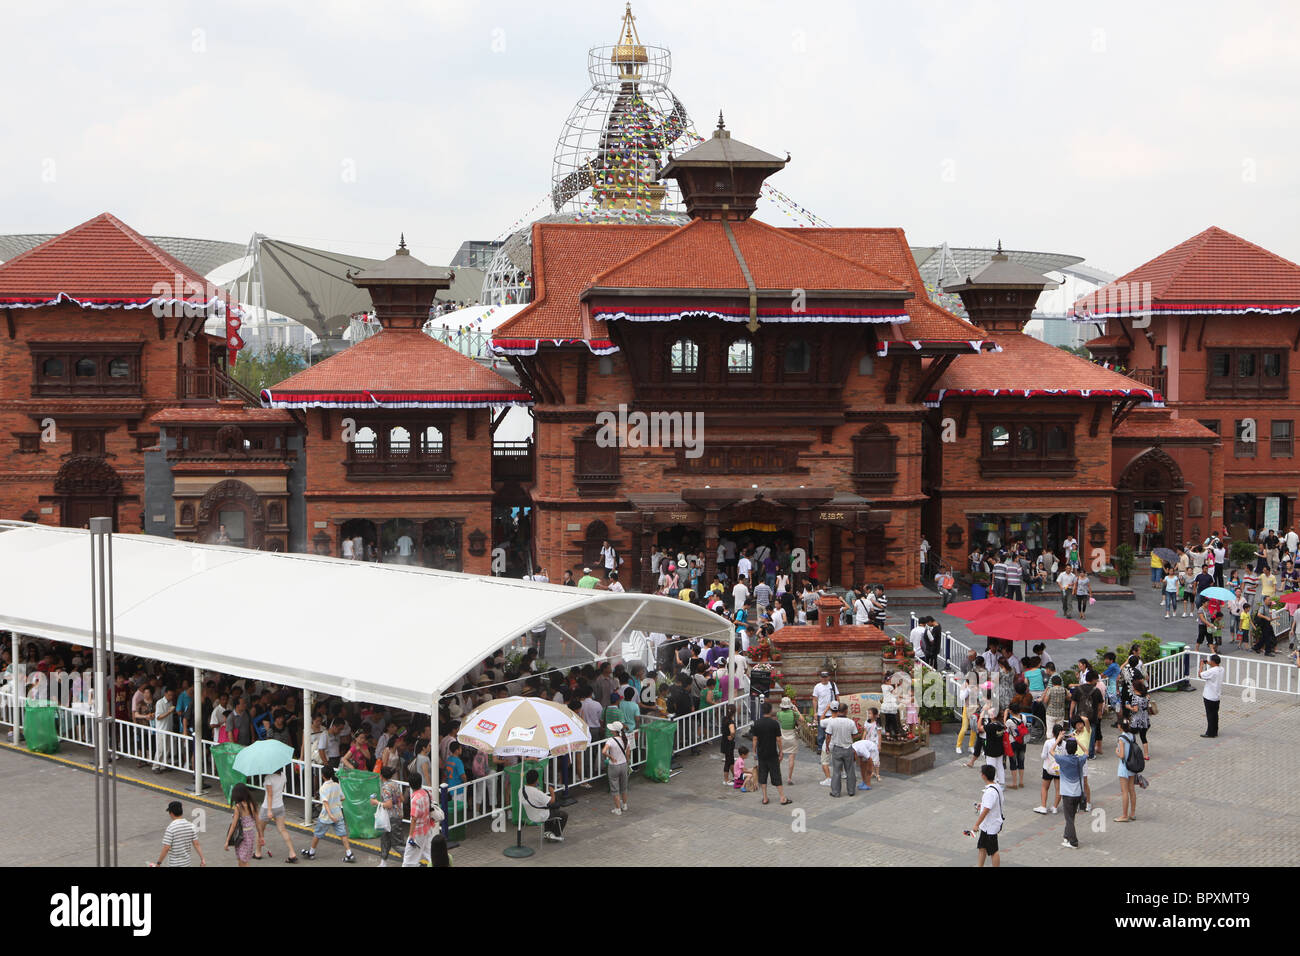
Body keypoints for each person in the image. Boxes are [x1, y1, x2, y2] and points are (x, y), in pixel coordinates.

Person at [302, 766, 356, 862]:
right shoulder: (336, 785)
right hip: (338, 814)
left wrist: (330, 815)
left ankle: (311, 852)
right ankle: (349, 854)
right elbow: (343, 798)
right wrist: (335, 799)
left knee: (317, 834)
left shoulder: (323, 788)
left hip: (326, 816)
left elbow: (325, 803)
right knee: (343, 834)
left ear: (323, 775)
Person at [751, 702, 792, 805]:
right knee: (776, 775)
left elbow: (755, 739)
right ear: (770, 711)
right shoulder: (774, 723)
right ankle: (782, 797)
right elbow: (778, 739)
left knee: (763, 775)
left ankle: (765, 798)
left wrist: (754, 751)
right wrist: (781, 751)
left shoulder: (757, 723)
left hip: (761, 753)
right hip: (772, 753)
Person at [255, 765, 298, 862]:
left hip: (267, 807)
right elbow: (281, 790)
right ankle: (292, 852)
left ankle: (258, 853)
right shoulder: (283, 775)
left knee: (260, 830)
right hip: (280, 806)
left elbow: (270, 794)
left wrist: (269, 810)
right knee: (282, 830)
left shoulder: (268, 778)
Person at [403, 774, 446, 863]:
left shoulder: (415, 800)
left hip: (418, 832)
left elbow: (414, 819)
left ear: (410, 785)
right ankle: (438, 864)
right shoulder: (427, 792)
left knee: (409, 858)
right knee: (430, 853)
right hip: (427, 828)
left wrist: (411, 835)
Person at [1055, 733, 1087, 848]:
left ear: (1066, 748)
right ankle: (1066, 836)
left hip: (1067, 794)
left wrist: (1058, 739)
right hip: (1078, 793)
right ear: (1075, 748)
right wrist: (1078, 741)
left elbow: (1051, 752)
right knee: (1071, 816)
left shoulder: (1062, 759)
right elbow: (1086, 752)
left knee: (1069, 818)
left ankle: (1073, 841)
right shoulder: (1080, 759)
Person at [822, 701, 859, 798]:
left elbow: (828, 736)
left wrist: (827, 746)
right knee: (850, 770)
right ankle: (851, 791)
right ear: (846, 711)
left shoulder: (832, 722)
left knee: (836, 772)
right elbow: (855, 735)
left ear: (838, 711)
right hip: (848, 748)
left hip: (837, 748)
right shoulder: (851, 722)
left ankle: (836, 792)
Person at [151, 800, 205, 867]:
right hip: (187, 863)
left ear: (171, 813)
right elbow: (196, 844)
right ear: (181, 812)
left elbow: (166, 847)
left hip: (174, 864)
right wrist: (202, 859)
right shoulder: (191, 826)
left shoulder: (171, 828)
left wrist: (158, 863)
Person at [369, 765, 404, 865]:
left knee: (396, 843)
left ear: (381, 776)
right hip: (397, 815)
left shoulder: (385, 788)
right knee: (385, 839)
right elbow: (402, 799)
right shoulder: (395, 784)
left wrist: (376, 802)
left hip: (391, 817)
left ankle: (411, 860)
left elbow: (388, 805)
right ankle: (383, 862)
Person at [521, 769, 567, 842]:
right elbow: (552, 801)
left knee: (552, 809)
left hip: (530, 815)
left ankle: (548, 832)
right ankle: (554, 834)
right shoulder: (536, 792)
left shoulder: (521, 790)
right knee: (563, 814)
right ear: (536, 780)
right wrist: (552, 792)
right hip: (540, 815)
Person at [972, 764, 1004, 867]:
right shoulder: (996, 786)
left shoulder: (990, 792)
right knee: (982, 847)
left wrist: (976, 824)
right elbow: (991, 804)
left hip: (991, 825)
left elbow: (986, 810)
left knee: (993, 851)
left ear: (984, 776)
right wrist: (982, 805)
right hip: (987, 825)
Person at [223, 783, 259, 867]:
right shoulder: (252, 804)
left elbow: (233, 825)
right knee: (243, 859)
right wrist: (260, 835)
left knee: (242, 859)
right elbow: (257, 821)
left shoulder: (238, 807)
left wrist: (227, 840)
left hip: (241, 836)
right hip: (250, 834)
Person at [1033, 722, 1064, 815]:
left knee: (1044, 787)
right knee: (1058, 789)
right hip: (1059, 769)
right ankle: (1055, 807)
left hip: (1048, 768)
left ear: (1053, 733)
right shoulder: (1065, 744)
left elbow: (1043, 756)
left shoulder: (1048, 742)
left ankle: (1043, 806)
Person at [604, 721, 631, 815]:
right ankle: (625, 805)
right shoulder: (626, 739)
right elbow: (628, 753)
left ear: (613, 730)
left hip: (614, 766)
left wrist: (610, 757)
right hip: (623, 765)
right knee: (624, 787)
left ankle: (617, 809)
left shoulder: (610, 740)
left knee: (615, 788)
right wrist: (627, 762)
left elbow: (603, 751)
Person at [1115, 718, 1140, 823]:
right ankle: (1132, 814)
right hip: (1132, 766)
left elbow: (1122, 755)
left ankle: (1124, 815)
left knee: (1124, 791)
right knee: (1131, 790)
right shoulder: (1132, 736)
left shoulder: (1121, 738)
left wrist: (1116, 752)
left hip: (1124, 766)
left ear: (1120, 726)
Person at [1199, 654, 1224, 738]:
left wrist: (1201, 665)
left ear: (1213, 661)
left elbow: (1200, 675)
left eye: (1210, 661)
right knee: (1215, 714)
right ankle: (1215, 731)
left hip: (1209, 696)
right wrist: (1208, 663)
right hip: (1216, 696)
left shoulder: (1212, 671)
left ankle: (1210, 733)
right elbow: (1214, 667)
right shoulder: (1221, 669)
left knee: (1210, 715)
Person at [778, 696, 799, 784]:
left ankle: (775, 774)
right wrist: (796, 710)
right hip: (792, 736)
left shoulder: (779, 714)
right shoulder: (794, 714)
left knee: (781, 756)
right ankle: (789, 778)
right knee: (791, 758)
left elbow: (780, 720)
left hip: (783, 736)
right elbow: (801, 719)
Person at [954, 672, 976, 755]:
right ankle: (958, 746)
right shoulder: (964, 685)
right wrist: (968, 689)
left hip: (975, 708)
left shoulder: (977, 685)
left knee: (974, 729)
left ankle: (971, 746)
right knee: (964, 728)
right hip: (967, 709)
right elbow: (962, 697)